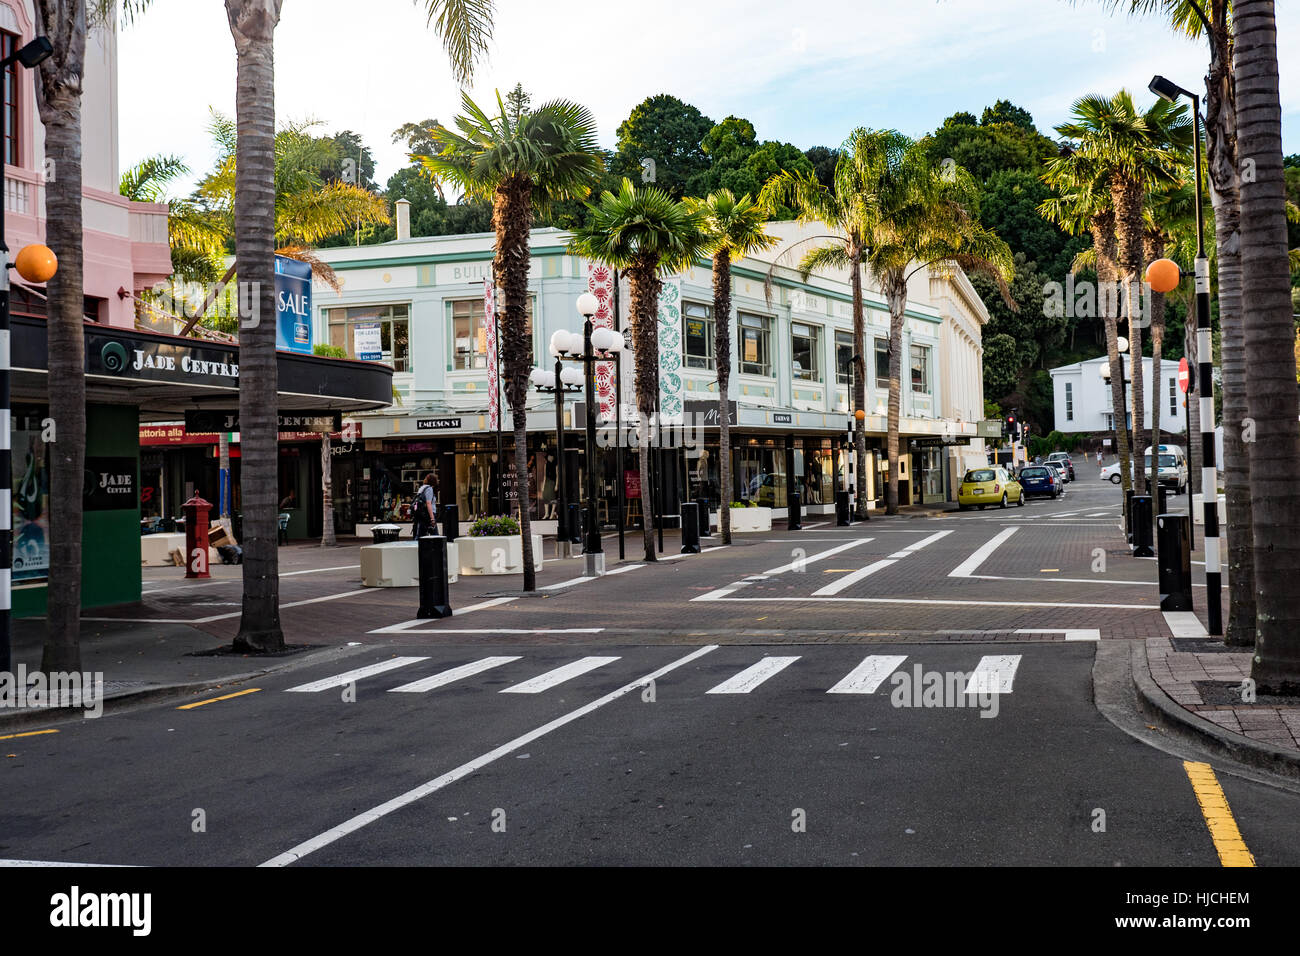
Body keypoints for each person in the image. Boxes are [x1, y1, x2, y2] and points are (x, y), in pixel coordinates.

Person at [411, 472, 438, 538]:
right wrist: (432, 518)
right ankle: (437, 548)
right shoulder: (429, 489)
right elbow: (428, 503)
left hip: (421, 515)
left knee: (421, 536)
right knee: (435, 536)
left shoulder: (422, 488)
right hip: (428, 515)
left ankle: (418, 547)